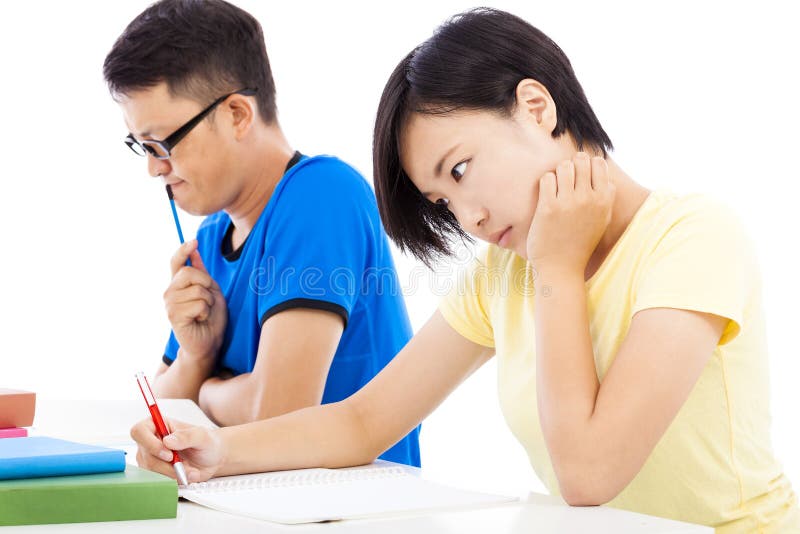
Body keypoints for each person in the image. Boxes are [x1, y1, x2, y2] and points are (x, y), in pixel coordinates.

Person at [130, 7, 798, 532]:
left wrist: (557, 271)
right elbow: (364, 422)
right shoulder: (504, 271)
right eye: (442, 202)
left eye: (459, 170)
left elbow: (590, 474)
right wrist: (219, 453)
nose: (468, 218)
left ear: (535, 107)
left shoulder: (693, 234)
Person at [105, 0, 419, 467]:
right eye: (142, 147)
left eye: (163, 143)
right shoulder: (210, 238)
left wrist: (205, 390)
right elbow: (158, 417)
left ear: (236, 114)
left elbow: (277, 413)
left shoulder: (321, 196)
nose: (154, 168)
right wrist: (196, 357)